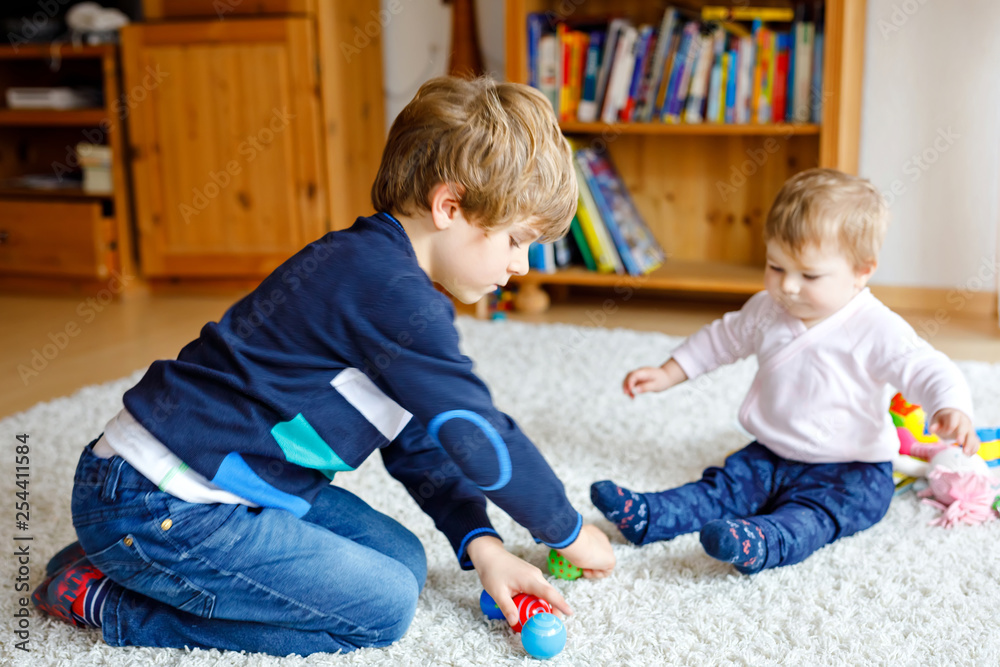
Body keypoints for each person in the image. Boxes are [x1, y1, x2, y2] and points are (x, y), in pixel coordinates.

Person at [32, 76, 615, 656]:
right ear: (450, 206)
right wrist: (565, 529)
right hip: (159, 500)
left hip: (235, 486)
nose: (521, 266)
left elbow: (419, 440)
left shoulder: (397, 287)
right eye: (515, 240)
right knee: (384, 607)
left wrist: (483, 543)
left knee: (405, 561)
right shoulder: (383, 285)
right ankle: (107, 598)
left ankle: (124, 560)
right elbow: (475, 431)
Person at [591, 168, 978, 574]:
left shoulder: (876, 328)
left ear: (862, 271)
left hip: (853, 470)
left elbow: (926, 367)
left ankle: (761, 540)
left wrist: (950, 406)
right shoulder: (767, 309)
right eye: (775, 267)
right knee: (724, 487)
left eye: (809, 275)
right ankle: (652, 514)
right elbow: (721, 339)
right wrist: (669, 372)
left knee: (814, 515)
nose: (788, 286)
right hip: (771, 451)